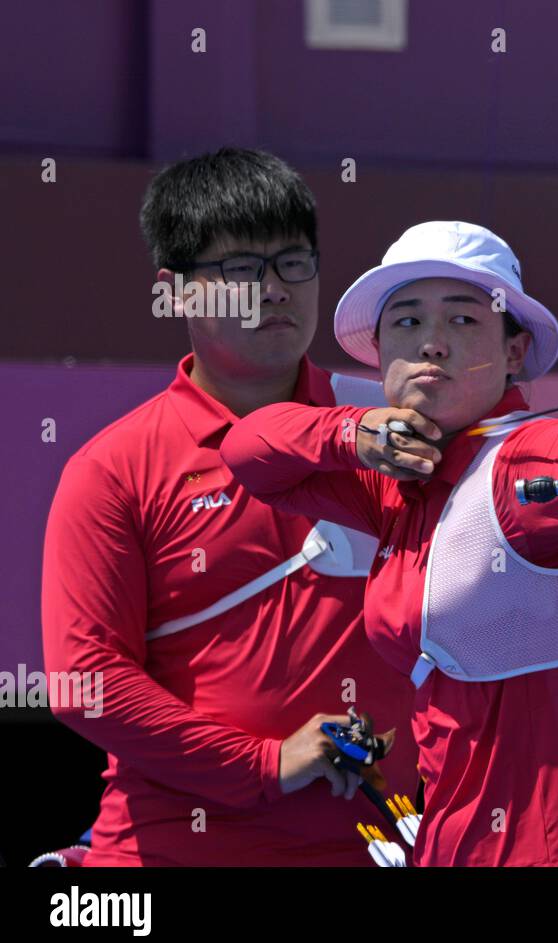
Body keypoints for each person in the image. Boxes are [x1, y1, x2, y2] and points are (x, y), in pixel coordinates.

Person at [220, 220, 558, 865]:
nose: (431, 343)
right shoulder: (398, 487)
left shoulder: (524, 462)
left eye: (463, 321)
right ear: (378, 355)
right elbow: (248, 452)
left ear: (513, 353)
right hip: (453, 847)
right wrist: (356, 434)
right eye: (405, 323)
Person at [41, 148, 417, 866]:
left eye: (293, 262)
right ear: (177, 291)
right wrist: (266, 764)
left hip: (377, 848)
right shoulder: (112, 469)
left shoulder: (386, 427)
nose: (275, 289)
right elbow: (84, 682)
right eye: (242, 270)